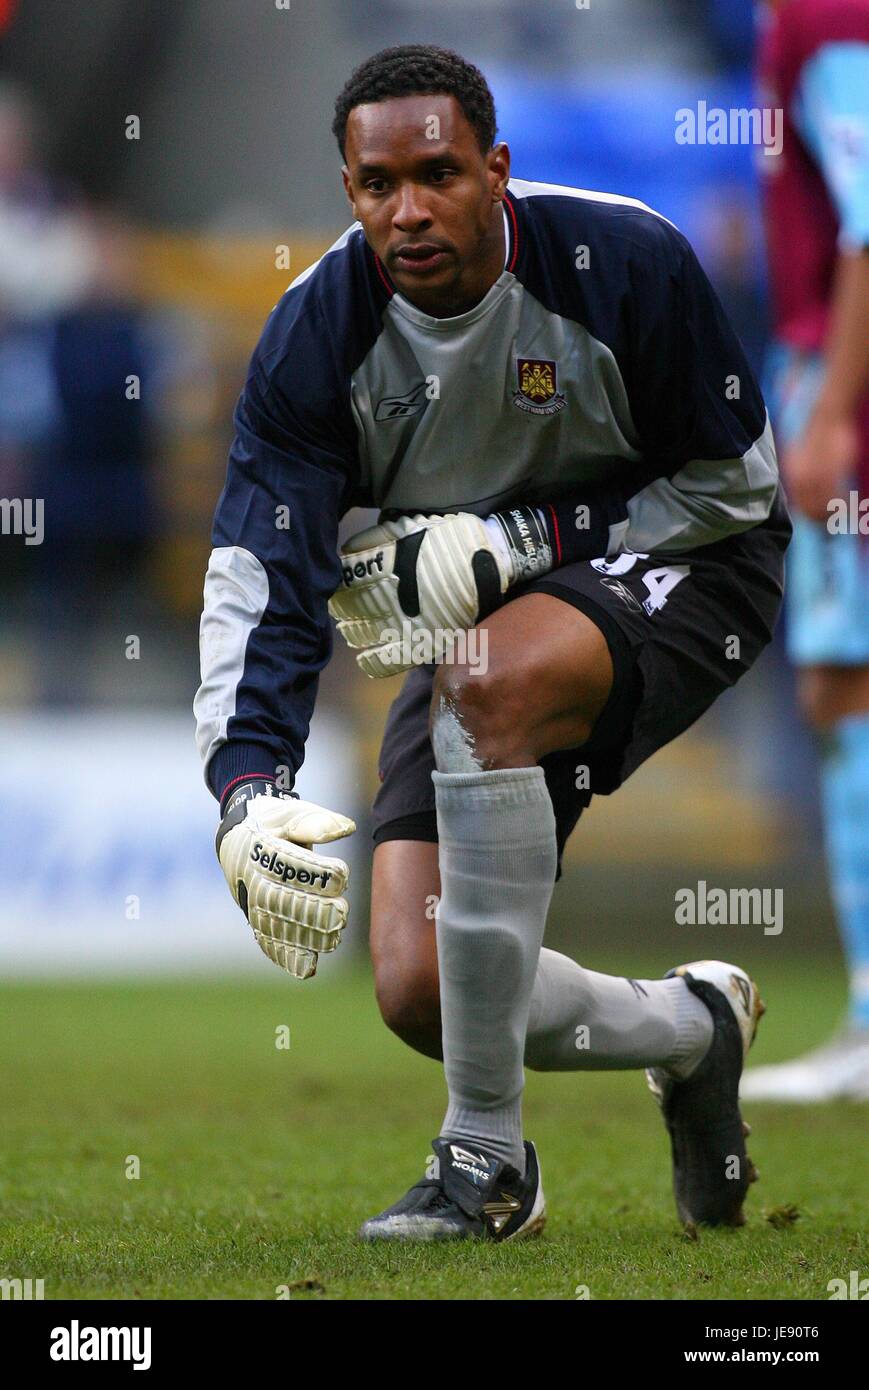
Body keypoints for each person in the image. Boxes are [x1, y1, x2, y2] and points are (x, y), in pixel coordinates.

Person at [194, 45, 789, 1239]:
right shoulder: (316, 337)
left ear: (495, 170)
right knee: (421, 987)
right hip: (478, 625)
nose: (407, 210)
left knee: (482, 676)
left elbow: (737, 484)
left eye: (438, 173)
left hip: (696, 567)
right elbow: (263, 572)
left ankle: (484, 1163)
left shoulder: (623, 262)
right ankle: (692, 1028)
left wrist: (527, 533)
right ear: (348, 189)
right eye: (376, 185)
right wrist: (247, 787)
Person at [741, 0, 869, 1103]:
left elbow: (868, 213)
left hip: (846, 379)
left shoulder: (826, 14)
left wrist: (828, 411)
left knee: (844, 683)